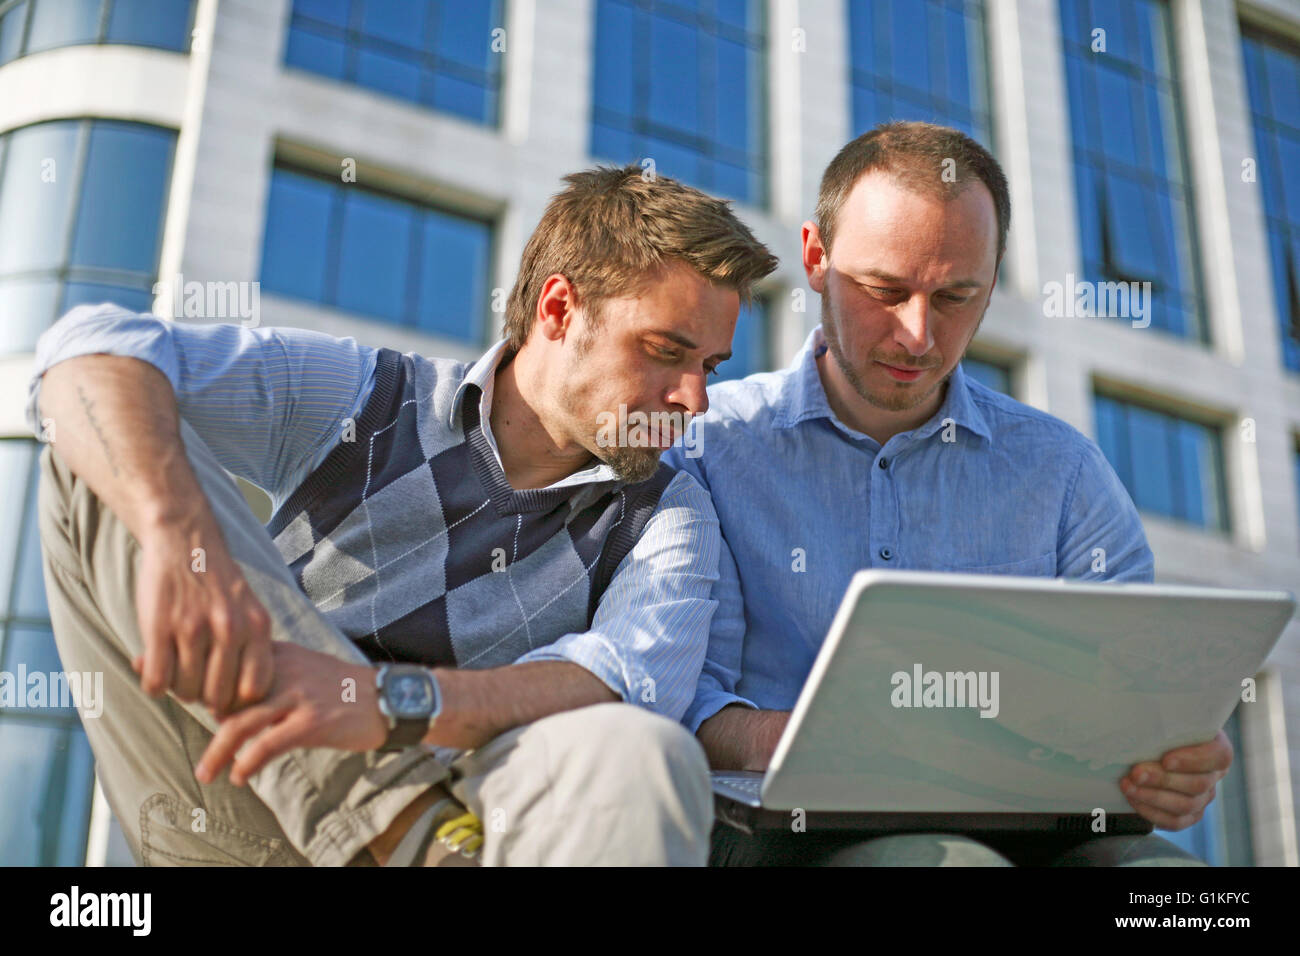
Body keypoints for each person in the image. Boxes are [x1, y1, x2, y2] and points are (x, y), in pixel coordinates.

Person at [30, 164, 777, 866]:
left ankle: (415, 825)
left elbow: (628, 681)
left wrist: (388, 705)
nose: (694, 398)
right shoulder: (369, 397)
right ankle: (403, 829)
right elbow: (89, 349)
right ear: (558, 309)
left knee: (643, 751)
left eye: (710, 367)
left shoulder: (669, 511)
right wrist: (177, 538)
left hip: (475, 818)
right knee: (108, 439)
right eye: (664, 351)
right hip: (239, 803)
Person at [664, 122, 1227, 867]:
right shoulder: (711, 445)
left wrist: (1165, 756)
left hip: (1041, 829)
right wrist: (850, 743)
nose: (919, 335)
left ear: (991, 284)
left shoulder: (1062, 471)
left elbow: (1133, 686)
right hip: (785, 834)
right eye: (884, 290)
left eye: (957, 295)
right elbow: (681, 700)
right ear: (815, 258)